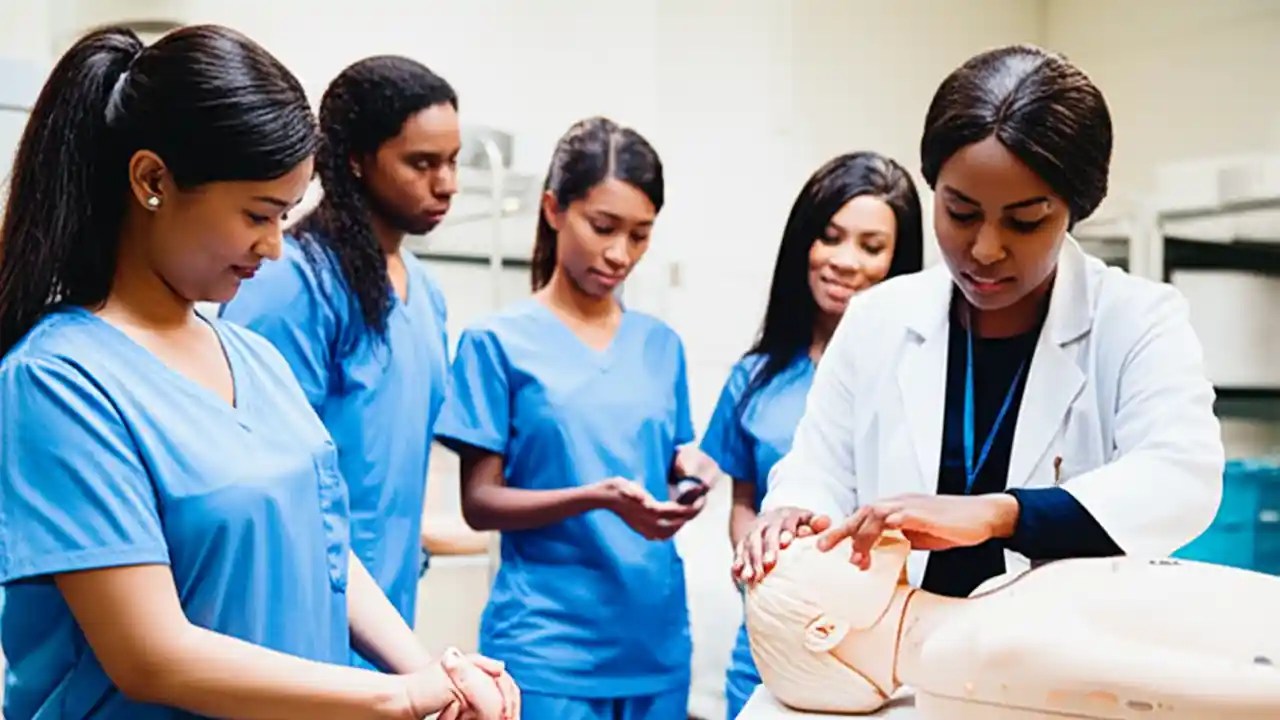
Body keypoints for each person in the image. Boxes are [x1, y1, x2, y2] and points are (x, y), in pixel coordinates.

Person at [0, 25, 516, 720]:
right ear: (152, 181)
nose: (275, 247)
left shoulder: (254, 360)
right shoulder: (59, 382)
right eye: (257, 215)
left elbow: (328, 549)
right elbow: (151, 655)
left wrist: (435, 671)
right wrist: (395, 695)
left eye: (284, 215)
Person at [735, 44, 1224, 601]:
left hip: (1055, 664)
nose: (985, 250)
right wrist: (795, 511)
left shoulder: (1134, 321)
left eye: (1025, 222)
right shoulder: (879, 319)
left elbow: (1182, 479)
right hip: (892, 660)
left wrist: (1000, 515)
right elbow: (818, 466)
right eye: (960, 213)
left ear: (1074, 210)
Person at [434, 116, 717, 720]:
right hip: (547, 647)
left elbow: (659, 466)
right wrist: (594, 497)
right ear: (553, 209)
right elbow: (480, 503)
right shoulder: (497, 343)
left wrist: (689, 474)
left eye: (640, 235)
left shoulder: (660, 345)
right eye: (603, 227)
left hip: (655, 640)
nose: (620, 254)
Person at [219, 56, 459, 650]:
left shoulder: (426, 296)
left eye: (452, 161)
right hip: (298, 620)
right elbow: (257, 482)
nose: (446, 183)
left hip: (391, 614)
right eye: (421, 163)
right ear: (356, 158)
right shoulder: (290, 281)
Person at [701, 150, 924, 719]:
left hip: (879, 660)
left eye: (872, 246)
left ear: (900, 262)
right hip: (770, 654)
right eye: (829, 237)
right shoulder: (756, 378)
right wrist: (760, 572)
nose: (845, 262)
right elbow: (745, 502)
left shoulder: (923, 381)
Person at [746, 530, 1280, 717]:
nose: (834, 532)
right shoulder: (972, 653)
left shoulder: (979, 608)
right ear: (824, 630)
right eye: (813, 552)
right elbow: (1186, 692)